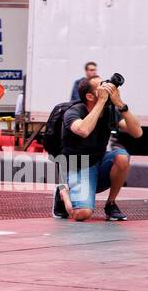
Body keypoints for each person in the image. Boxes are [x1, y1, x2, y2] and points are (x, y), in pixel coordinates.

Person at [53, 74, 142, 222]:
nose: (106, 88)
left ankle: (111, 204)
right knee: (82, 214)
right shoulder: (73, 112)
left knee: (122, 157)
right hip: (78, 167)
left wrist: (121, 105)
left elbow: (137, 132)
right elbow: (83, 130)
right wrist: (101, 101)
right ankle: (63, 192)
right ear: (89, 96)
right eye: (101, 86)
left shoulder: (110, 111)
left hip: (98, 161)